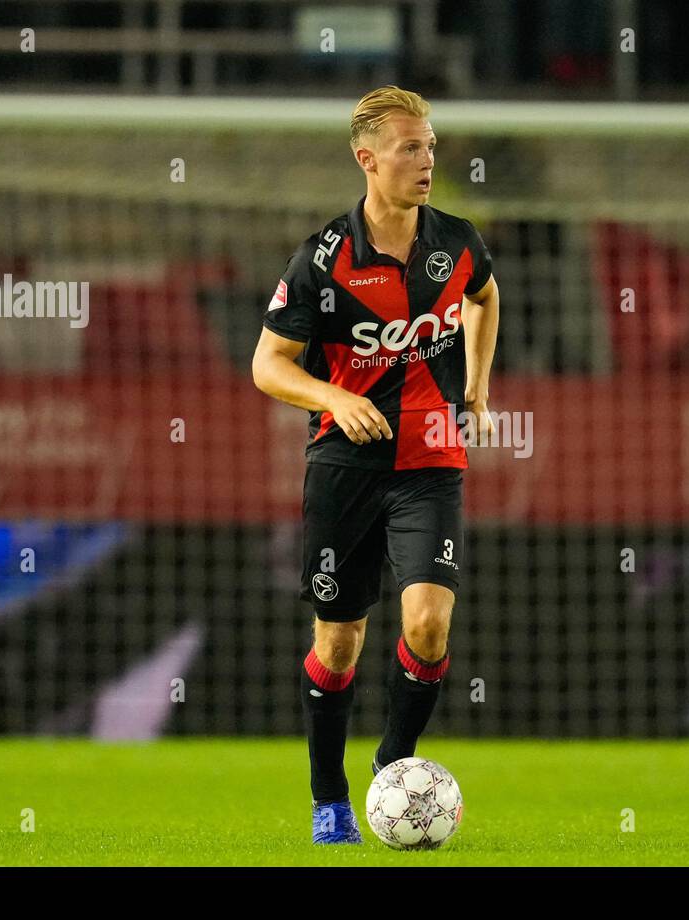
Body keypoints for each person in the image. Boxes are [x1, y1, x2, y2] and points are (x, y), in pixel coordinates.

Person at [252, 86, 500, 841]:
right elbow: (268, 365)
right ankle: (329, 797)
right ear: (367, 159)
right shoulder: (324, 259)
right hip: (345, 467)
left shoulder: (456, 241)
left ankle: (394, 763)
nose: (427, 161)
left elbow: (484, 298)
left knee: (428, 625)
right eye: (410, 149)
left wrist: (478, 389)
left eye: (430, 146)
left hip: (431, 460)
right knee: (339, 643)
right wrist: (331, 393)